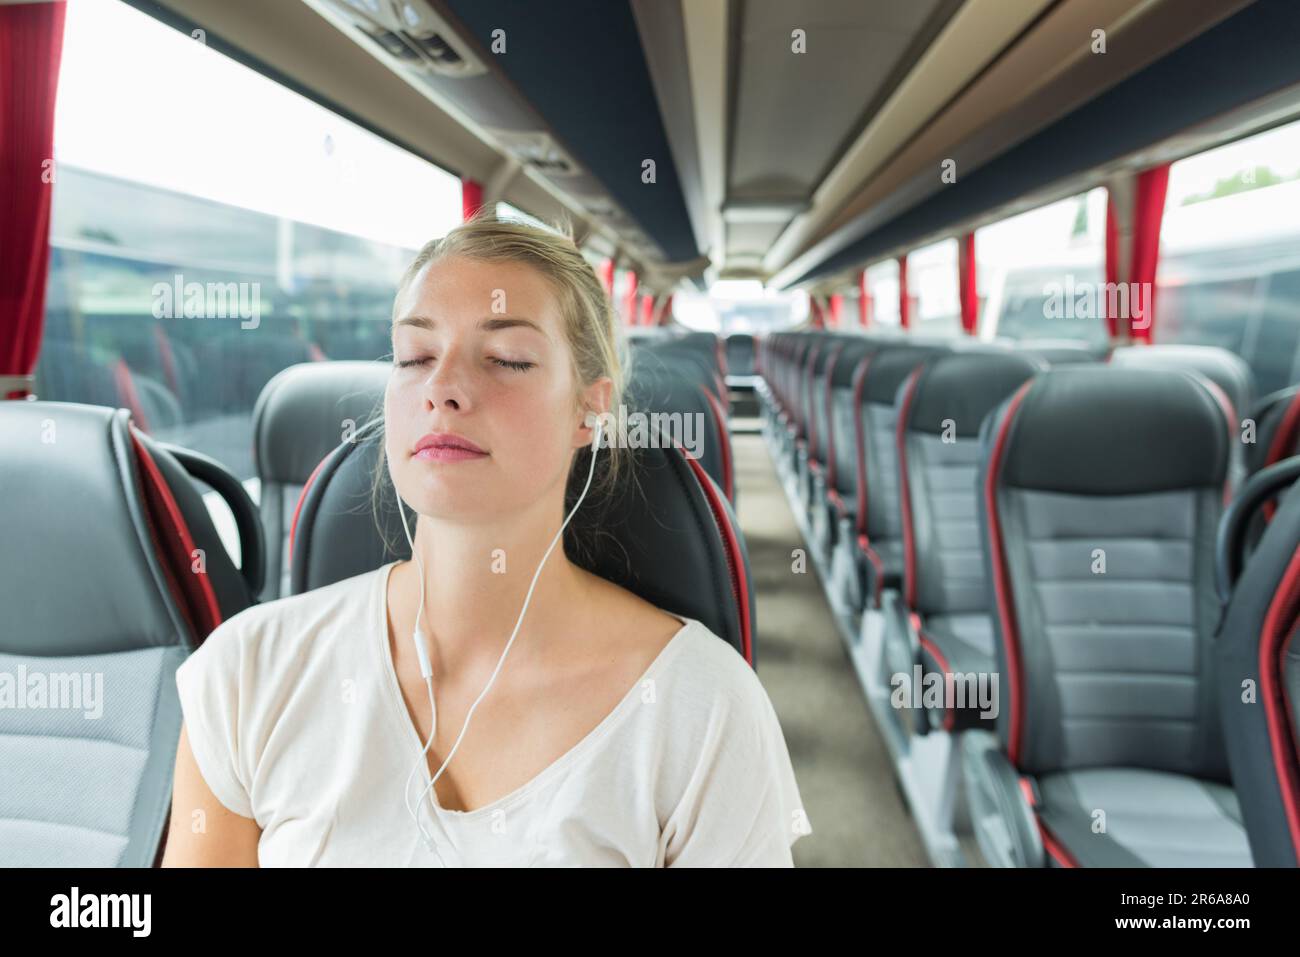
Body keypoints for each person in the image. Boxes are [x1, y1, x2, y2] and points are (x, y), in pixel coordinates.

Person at [162, 214, 809, 866]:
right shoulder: (246, 673)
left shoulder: (702, 708)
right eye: (415, 357)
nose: (441, 388)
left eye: (506, 359)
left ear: (589, 407)